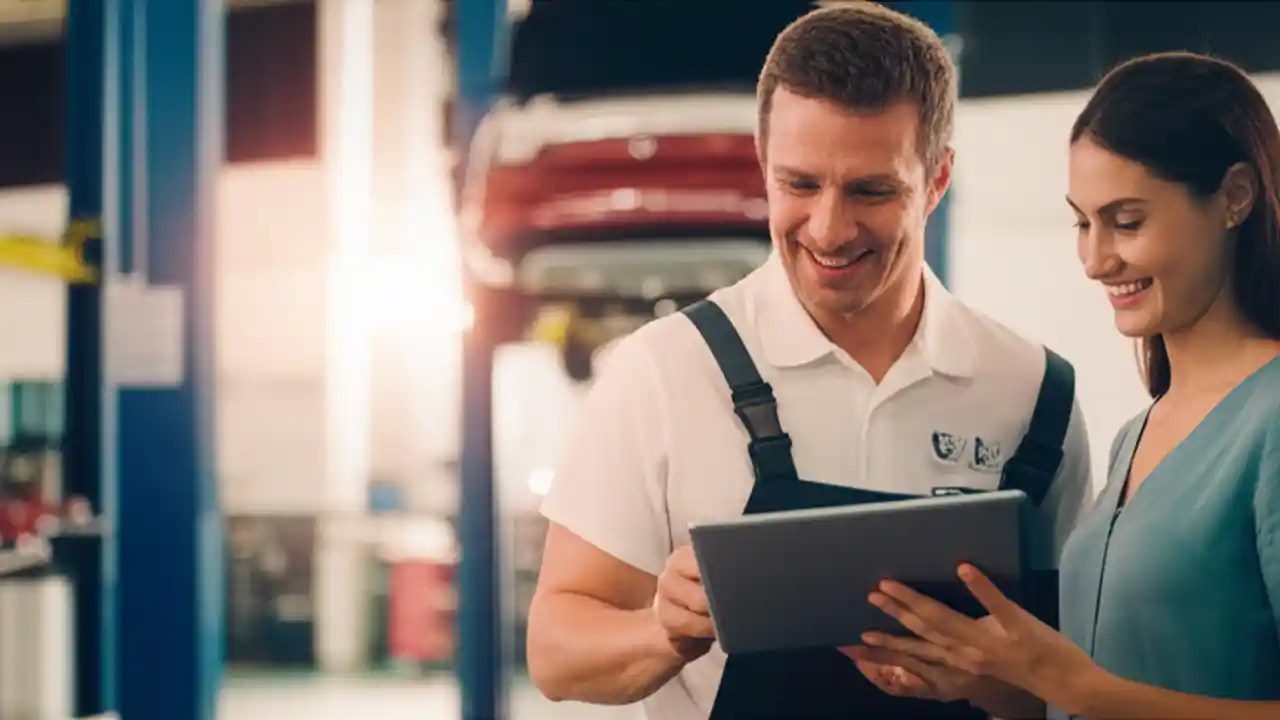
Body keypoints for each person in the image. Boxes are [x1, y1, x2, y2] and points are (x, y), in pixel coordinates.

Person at [526, 3, 1093, 718]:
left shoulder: (1032, 393)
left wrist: (988, 678)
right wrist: (662, 631)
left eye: (871, 191)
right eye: (799, 185)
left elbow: (1079, 676)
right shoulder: (665, 371)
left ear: (938, 179)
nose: (830, 229)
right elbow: (556, 652)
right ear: (763, 165)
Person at [846, 51, 1280, 719]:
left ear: (1235, 198)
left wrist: (1077, 686)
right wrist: (984, 681)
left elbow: (1095, 694)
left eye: (1127, 221)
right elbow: (1111, 692)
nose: (1095, 260)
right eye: (1083, 222)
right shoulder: (1138, 434)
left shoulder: (1269, 417)